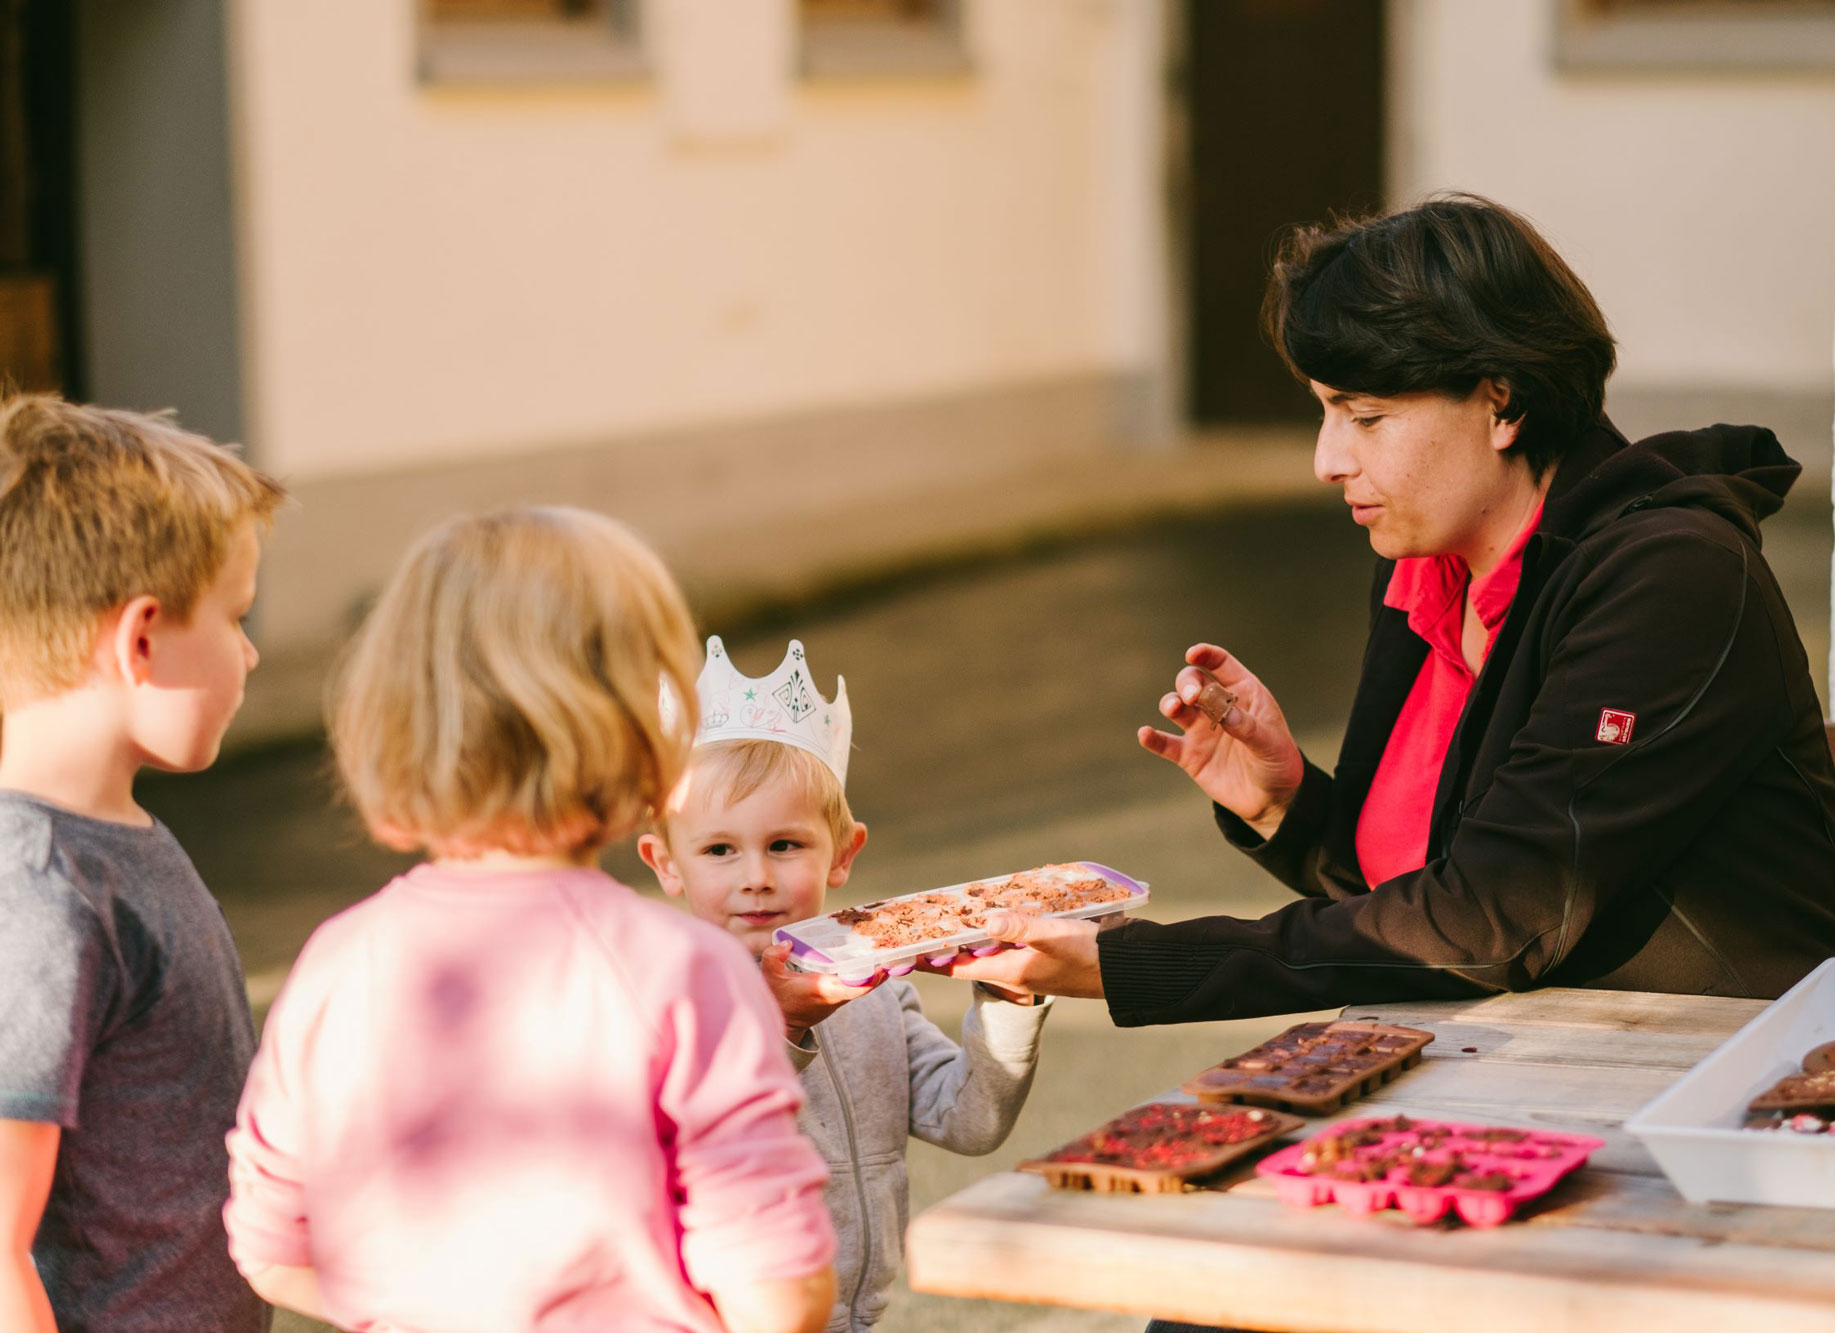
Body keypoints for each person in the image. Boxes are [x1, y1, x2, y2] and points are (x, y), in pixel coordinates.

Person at [940, 194, 1835, 1024]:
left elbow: (1494, 918)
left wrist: (1130, 963)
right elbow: (1426, 898)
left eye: (1364, 416)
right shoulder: (1427, 567)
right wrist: (1288, 806)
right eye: (1322, 412)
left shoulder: (1670, 579)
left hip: (1712, 1068)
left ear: (1503, 401)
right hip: (1510, 1048)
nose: (1326, 459)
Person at [224, 509, 836, 1333]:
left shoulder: (336, 961)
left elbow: (269, 1245)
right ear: (638, 731)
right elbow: (780, 1295)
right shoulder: (685, 969)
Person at [637, 635, 1052, 1333]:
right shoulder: (671, 998)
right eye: (718, 849)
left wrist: (1011, 995)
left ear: (844, 852)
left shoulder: (878, 990)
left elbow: (970, 1118)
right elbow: (691, 1143)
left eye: (784, 843)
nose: (757, 876)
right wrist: (785, 1024)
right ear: (666, 862)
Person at [0, 393, 285, 1333]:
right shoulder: (41, 891)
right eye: (236, 617)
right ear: (142, 639)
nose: (248, 651)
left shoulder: (110, 841)